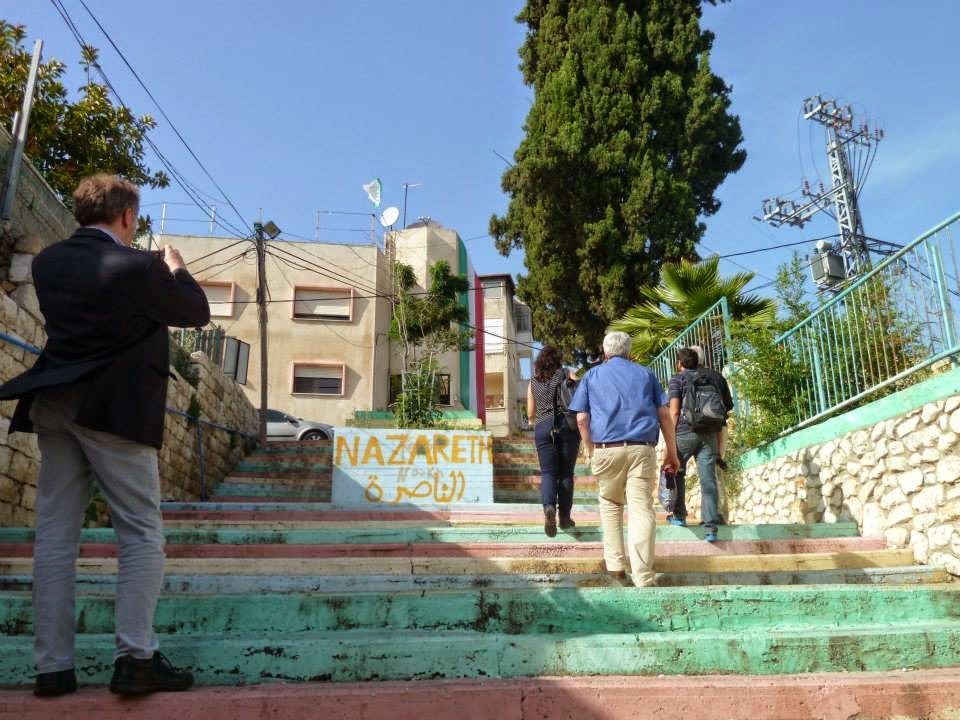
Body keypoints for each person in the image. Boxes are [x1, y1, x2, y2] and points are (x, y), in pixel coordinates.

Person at [0, 174, 210, 697]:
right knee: (140, 532)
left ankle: (53, 667)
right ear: (127, 218)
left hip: (56, 401)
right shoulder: (140, 267)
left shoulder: (48, 263)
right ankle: (135, 657)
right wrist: (176, 268)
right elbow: (196, 311)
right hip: (115, 409)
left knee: (54, 535)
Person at [568, 331, 679, 587]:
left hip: (606, 448)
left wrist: (591, 449)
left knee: (610, 504)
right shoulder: (646, 374)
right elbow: (664, 415)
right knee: (641, 508)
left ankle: (616, 567)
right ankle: (643, 575)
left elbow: (582, 419)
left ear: (605, 353)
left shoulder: (591, 376)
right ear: (629, 352)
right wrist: (671, 452)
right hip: (642, 448)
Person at [667, 347, 735, 542]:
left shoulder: (677, 380)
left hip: (684, 433)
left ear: (679, 364)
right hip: (709, 434)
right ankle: (711, 528)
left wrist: (670, 439)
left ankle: (679, 515)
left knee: (678, 471)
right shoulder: (712, 377)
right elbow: (725, 407)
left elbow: (673, 411)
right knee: (708, 479)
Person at [527, 345, 581, 536]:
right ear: (558, 360)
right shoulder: (566, 373)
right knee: (566, 473)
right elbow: (580, 396)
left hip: (543, 427)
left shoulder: (533, 381)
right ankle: (565, 517)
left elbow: (530, 413)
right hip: (566, 425)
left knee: (548, 472)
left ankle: (549, 508)